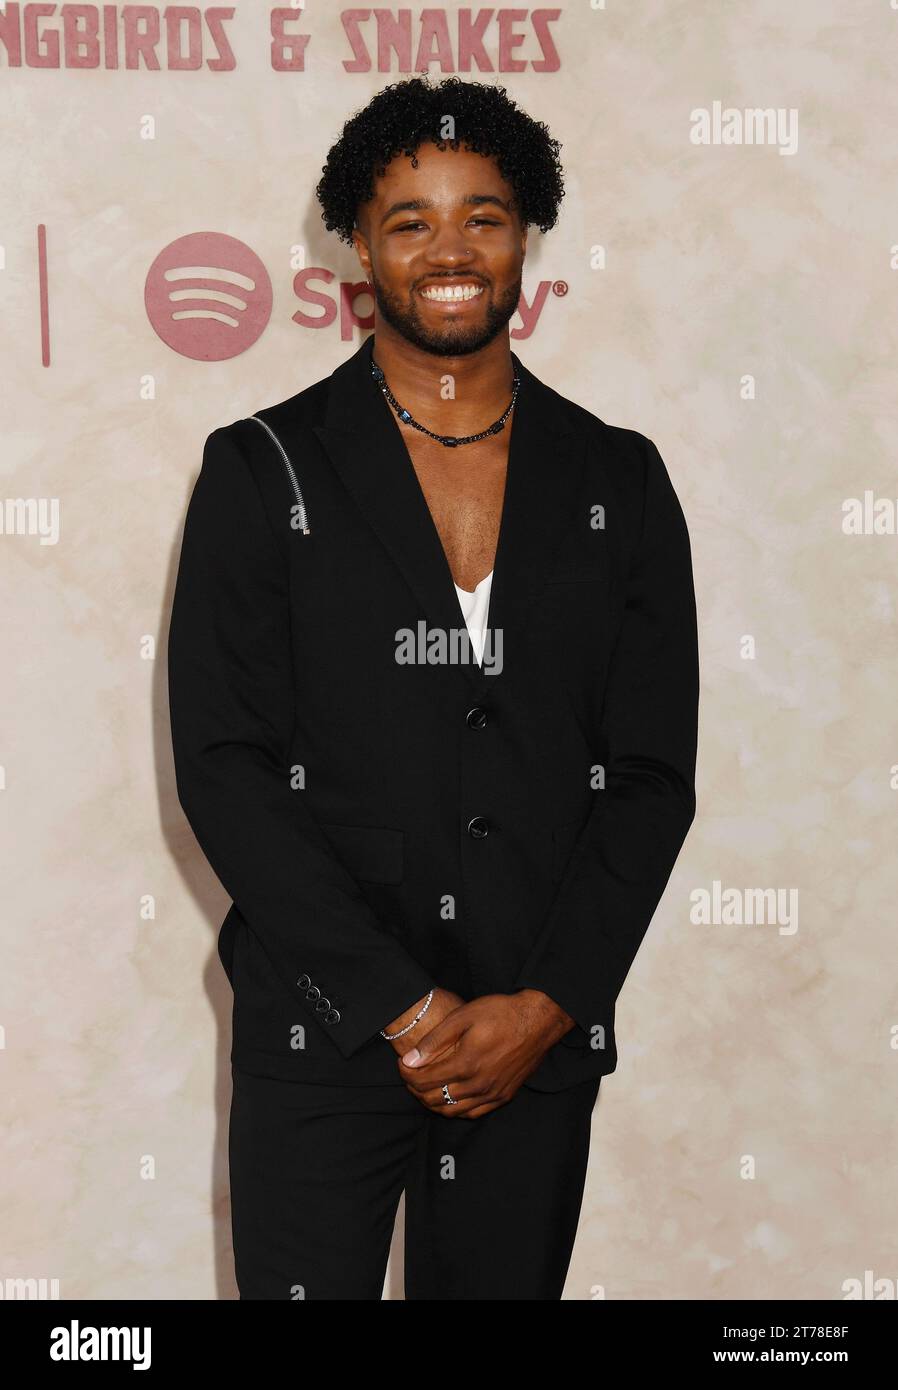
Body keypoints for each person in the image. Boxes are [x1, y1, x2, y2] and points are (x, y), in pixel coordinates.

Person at [167, 75, 699, 1300]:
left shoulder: (619, 475)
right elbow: (227, 768)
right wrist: (400, 1006)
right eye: (410, 220)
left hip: (534, 1039)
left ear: (528, 238)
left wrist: (548, 1003)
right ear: (358, 243)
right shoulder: (263, 468)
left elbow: (650, 776)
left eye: (484, 216)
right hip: (325, 1027)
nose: (448, 250)